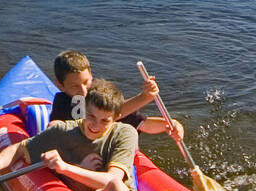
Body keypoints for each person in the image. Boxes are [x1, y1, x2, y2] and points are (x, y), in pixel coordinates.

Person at [0, 79, 178, 191]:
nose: (95, 126)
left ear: (117, 117)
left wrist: (65, 167)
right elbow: (17, 149)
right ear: (83, 109)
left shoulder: (126, 133)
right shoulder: (63, 131)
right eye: (91, 116)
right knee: (116, 188)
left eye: (105, 120)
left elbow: (111, 179)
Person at [50, 50, 185, 142]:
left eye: (86, 82)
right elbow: (113, 113)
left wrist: (170, 125)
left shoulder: (99, 96)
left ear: (91, 76)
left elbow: (143, 123)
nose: (83, 91)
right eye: (75, 87)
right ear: (61, 86)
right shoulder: (64, 102)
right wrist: (143, 98)